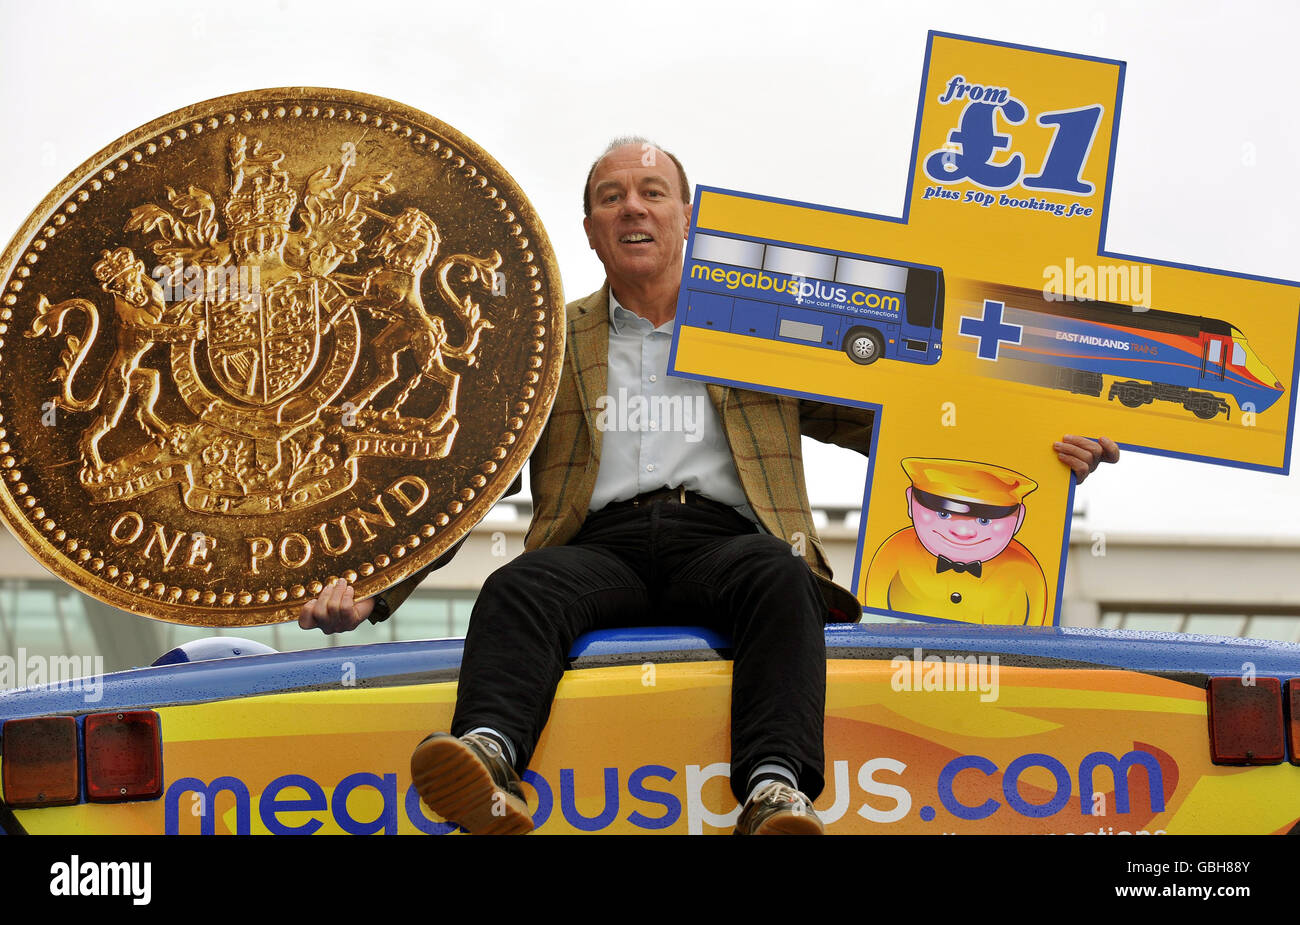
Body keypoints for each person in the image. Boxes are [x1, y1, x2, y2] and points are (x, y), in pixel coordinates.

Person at [300, 137, 1121, 834]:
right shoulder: (544, 342)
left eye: (653, 192)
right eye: (612, 197)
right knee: (519, 583)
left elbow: (892, 422)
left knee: (781, 576)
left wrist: (1036, 449)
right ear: (589, 230)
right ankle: (485, 758)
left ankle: (772, 790)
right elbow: (467, 482)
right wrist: (372, 591)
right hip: (599, 551)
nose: (633, 208)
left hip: (726, 545)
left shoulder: (757, 319)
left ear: (686, 215)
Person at [865, 456, 1049, 624]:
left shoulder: (1026, 572)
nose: (963, 531)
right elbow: (871, 622)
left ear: (1019, 518)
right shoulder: (893, 552)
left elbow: (1034, 639)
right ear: (910, 501)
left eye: (984, 520)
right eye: (943, 513)